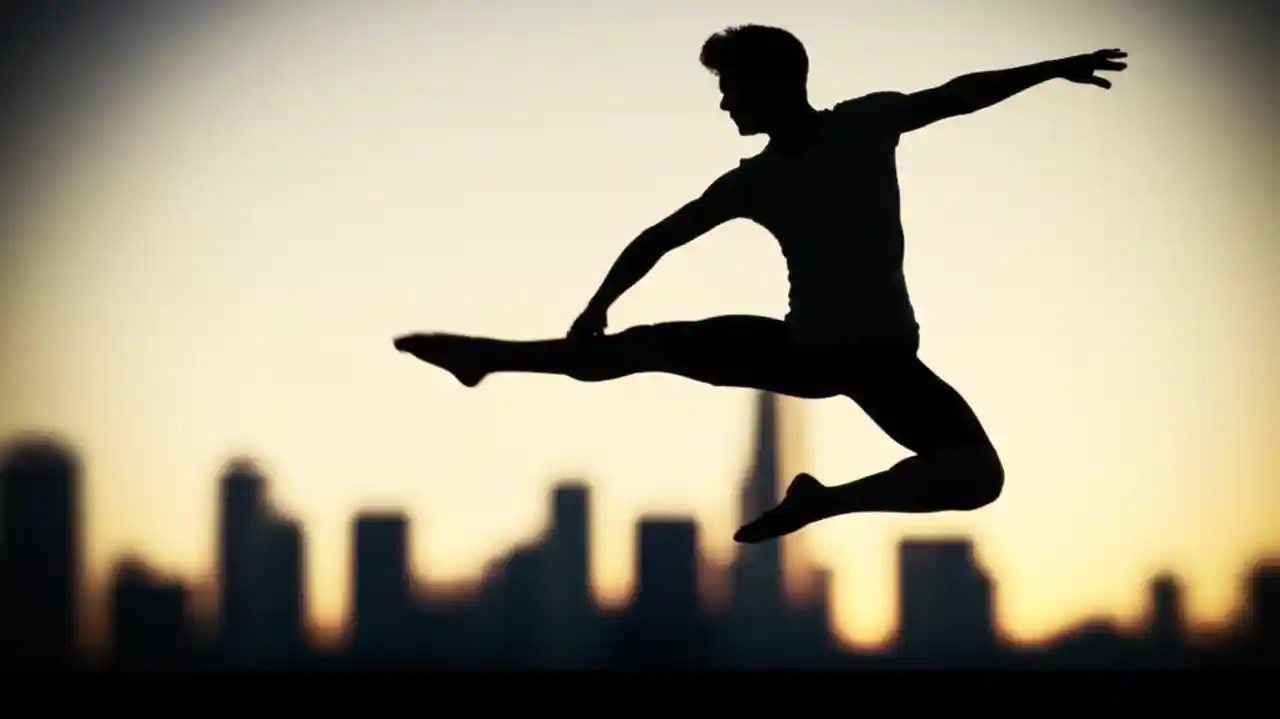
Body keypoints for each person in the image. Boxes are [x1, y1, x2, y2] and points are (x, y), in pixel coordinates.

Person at [394, 25, 1127, 543]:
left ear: (777, 83)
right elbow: (661, 236)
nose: (724, 104)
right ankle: (488, 357)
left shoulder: (866, 124)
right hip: (807, 352)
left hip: (881, 365)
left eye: (732, 87)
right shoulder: (756, 180)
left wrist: (1050, 69)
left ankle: (822, 502)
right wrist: (599, 304)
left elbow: (958, 94)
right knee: (644, 347)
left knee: (977, 478)